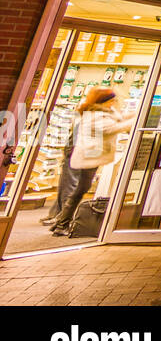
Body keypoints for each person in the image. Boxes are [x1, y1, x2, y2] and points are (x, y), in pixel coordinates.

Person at [49, 88, 135, 235]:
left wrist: (140, 111)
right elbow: (113, 128)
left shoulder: (107, 113)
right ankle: (61, 224)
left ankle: (60, 221)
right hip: (87, 158)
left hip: (92, 157)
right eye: (112, 100)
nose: (114, 103)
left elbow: (121, 118)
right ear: (104, 101)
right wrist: (136, 119)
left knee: (79, 190)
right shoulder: (95, 116)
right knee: (79, 190)